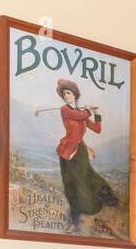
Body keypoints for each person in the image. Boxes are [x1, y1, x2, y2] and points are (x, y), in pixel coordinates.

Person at [49, 78, 119, 227]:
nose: (66, 96)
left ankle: (105, 200)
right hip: (67, 153)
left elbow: (97, 129)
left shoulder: (82, 113)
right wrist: (87, 110)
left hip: (80, 151)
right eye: (64, 94)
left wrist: (95, 114)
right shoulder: (65, 110)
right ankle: (74, 216)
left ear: (75, 94)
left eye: (69, 93)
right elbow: (80, 116)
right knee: (72, 185)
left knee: (89, 178)